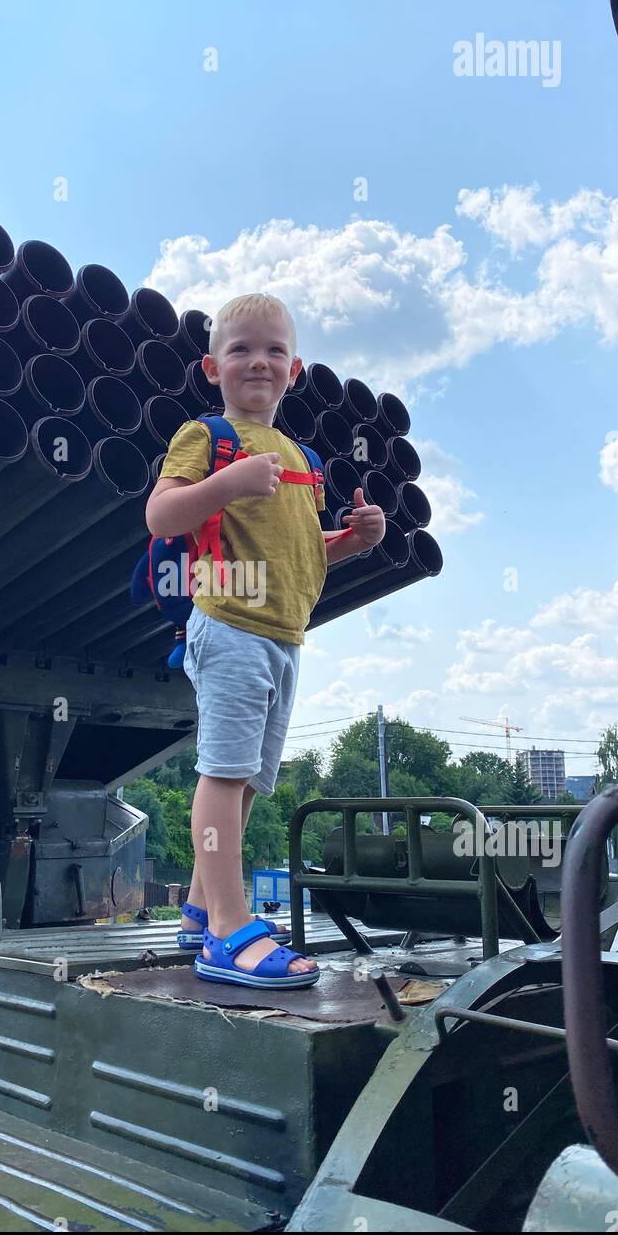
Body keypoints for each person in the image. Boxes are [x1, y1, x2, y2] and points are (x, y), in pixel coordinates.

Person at [145, 294, 386, 988]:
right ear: (212, 365)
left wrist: (353, 542)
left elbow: (305, 552)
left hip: (283, 636)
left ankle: (198, 906)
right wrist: (226, 481)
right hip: (228, 624)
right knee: (222, 773)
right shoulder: (207, 434)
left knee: (248, 780)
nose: (258, 360)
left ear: (295, 368)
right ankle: (227, 929)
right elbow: (161, 515)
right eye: (242, 348)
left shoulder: (300, 456)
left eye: (273, 349)